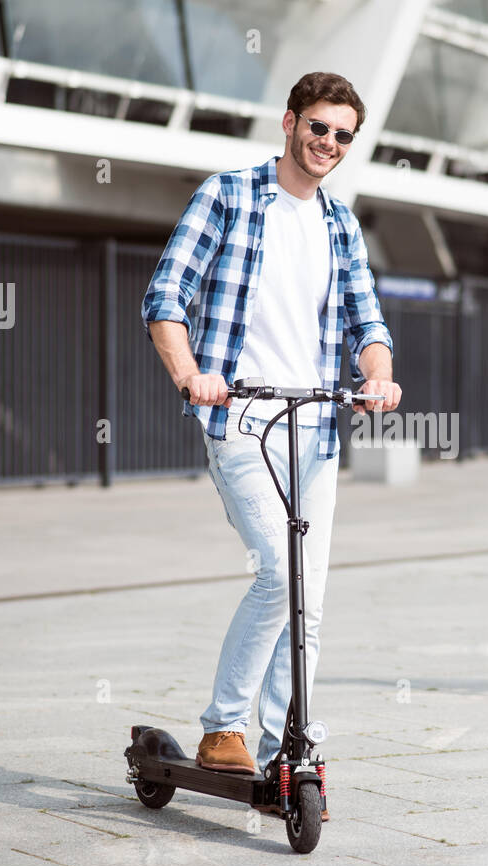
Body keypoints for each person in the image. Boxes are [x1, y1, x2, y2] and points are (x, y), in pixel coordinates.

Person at [141, 72, 401, 794]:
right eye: (318, 127)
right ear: (289, 123)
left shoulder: (339, 223)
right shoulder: (227, 195)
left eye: (344, 135)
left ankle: (290, 740)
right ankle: (224, 726)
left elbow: (367, 323)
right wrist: (191, 372)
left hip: (315, 429)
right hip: (239, 417)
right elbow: (164, 296)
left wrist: (378, 374)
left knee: (309, 596)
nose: (329, 144)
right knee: (276, 571)